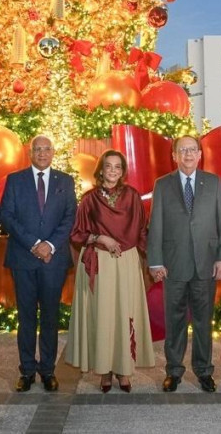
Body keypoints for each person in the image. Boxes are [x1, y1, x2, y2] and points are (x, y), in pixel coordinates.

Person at [147, 135, 221, 393]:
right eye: (182, 150)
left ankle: (204, 371)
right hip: (173, 264)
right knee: (175, 322)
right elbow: (156, 225)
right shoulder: (163, 184)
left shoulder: (213, 182)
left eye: (192, 150)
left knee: (204, 322)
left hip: (206, 263)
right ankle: (174, 371)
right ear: (174, 155)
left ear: (200, 154)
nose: (188, 155)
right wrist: (155, 262)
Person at [65, 150, 154, 393]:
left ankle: (124, 370)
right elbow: (77, 234)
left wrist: (155, 260)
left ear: (122, 171)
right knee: (103, 315)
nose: (113, 170)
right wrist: (100, 238)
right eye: (108, 166)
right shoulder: (89, 199)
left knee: (124, 314)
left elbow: (142, 230)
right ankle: (104, 371)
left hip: (125, 261)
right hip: (99, 263)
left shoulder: (132, 196)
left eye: (117, 167)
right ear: (101, 170)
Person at [0, 135, 77, 392]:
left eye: (46, 149)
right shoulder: (15, 180)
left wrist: (50, 245)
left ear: (53, 152)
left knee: (50, 316)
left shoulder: (65, 181)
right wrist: (34, 244)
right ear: (30, 152)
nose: (42, 153)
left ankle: (47, 370)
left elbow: (70, 217)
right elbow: (7, 216)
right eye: (37, 149)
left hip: (53, 260)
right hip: (23, 258)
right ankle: (27, 370)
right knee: (26, 317)